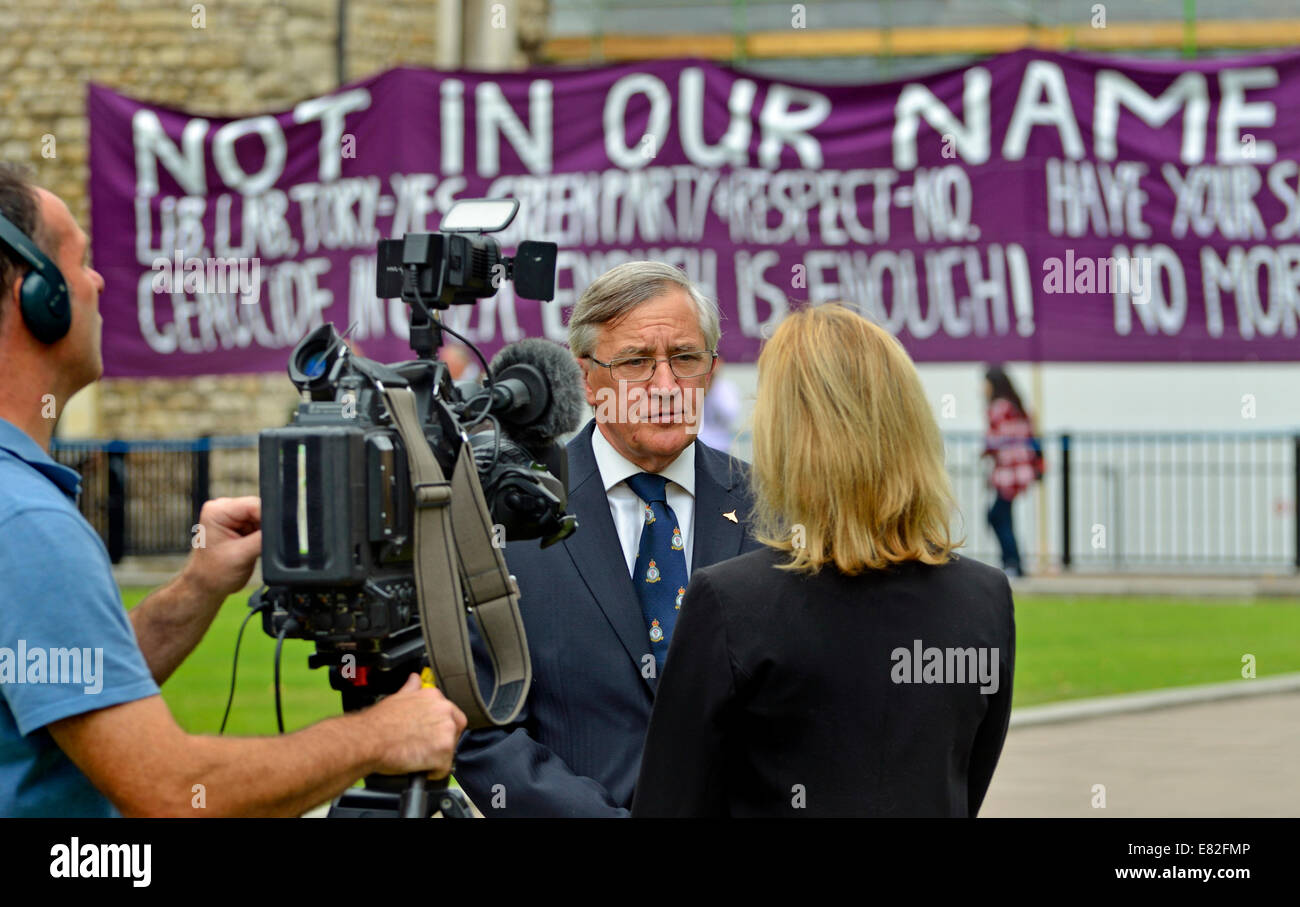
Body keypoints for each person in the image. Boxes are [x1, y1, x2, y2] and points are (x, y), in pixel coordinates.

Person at [0, 165, 467, 817]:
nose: (99, 282)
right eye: (80, 262)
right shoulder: (26, 522)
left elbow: (66, 681)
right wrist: (380, 736)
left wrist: (198, 587)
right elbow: (169, 790)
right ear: (37, 297)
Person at [632, 303, 1015, 817]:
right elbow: (961, 785)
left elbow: (670, 802)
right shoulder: (984, 598)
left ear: (788, 435)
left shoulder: (732, 602)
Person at [452, 261, 761, 817]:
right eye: (636, 362)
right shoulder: (509, 517)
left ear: (711, 372)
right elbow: (483, 729)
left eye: (685, 359)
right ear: (585, 379)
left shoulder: (776, 511)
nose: (665, 386)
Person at [981, 365, 1043, 578]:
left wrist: (985, 451)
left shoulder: (999, 408)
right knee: (1004, 516)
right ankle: (1012, 561)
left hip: (1009, 472)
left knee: (997, 516)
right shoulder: (1017, 407)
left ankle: (1012, 562)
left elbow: (996, 441)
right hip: (1020, 470)